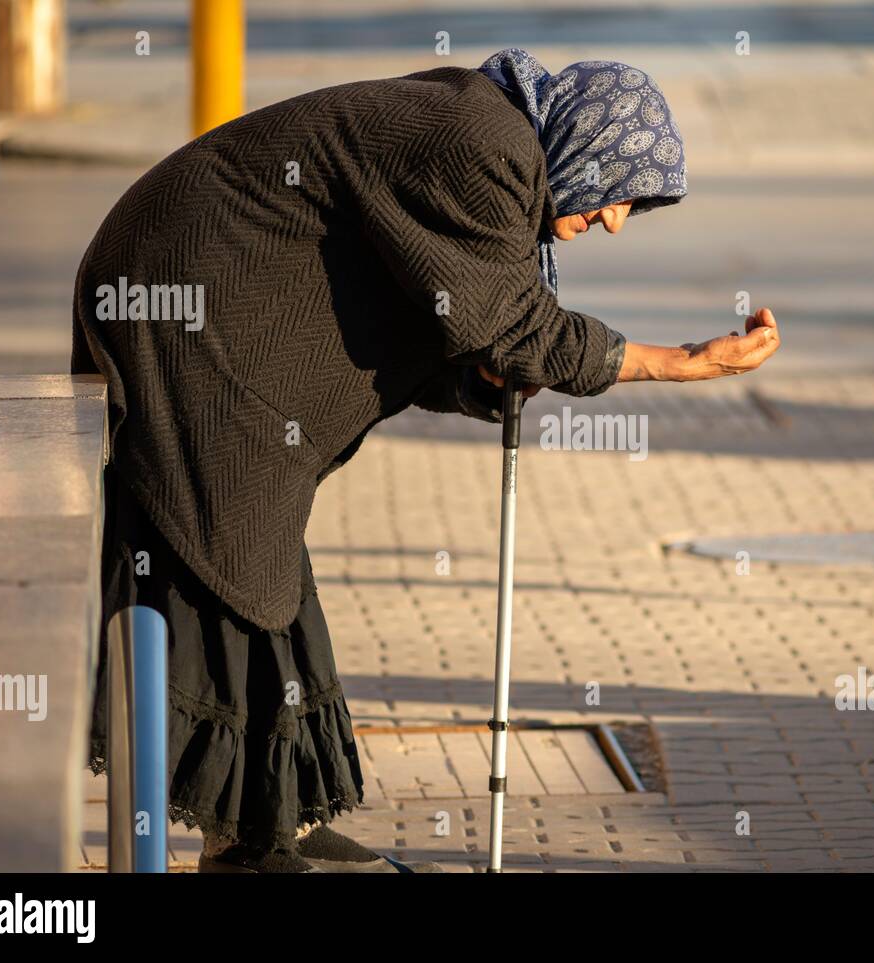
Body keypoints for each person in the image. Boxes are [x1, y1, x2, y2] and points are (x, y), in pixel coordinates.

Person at [71, 47, 780, 873]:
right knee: (220, 536)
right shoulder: (487, 146)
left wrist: (491, 369)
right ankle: (237, 842)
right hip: (174, 298)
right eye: (620, 192)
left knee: (254, 541)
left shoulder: (499, 149)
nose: (616, 221)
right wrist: (682, 360)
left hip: (206, 301)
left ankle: (266, 826)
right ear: (585, 139)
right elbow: (514, 323)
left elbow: (452, 323)